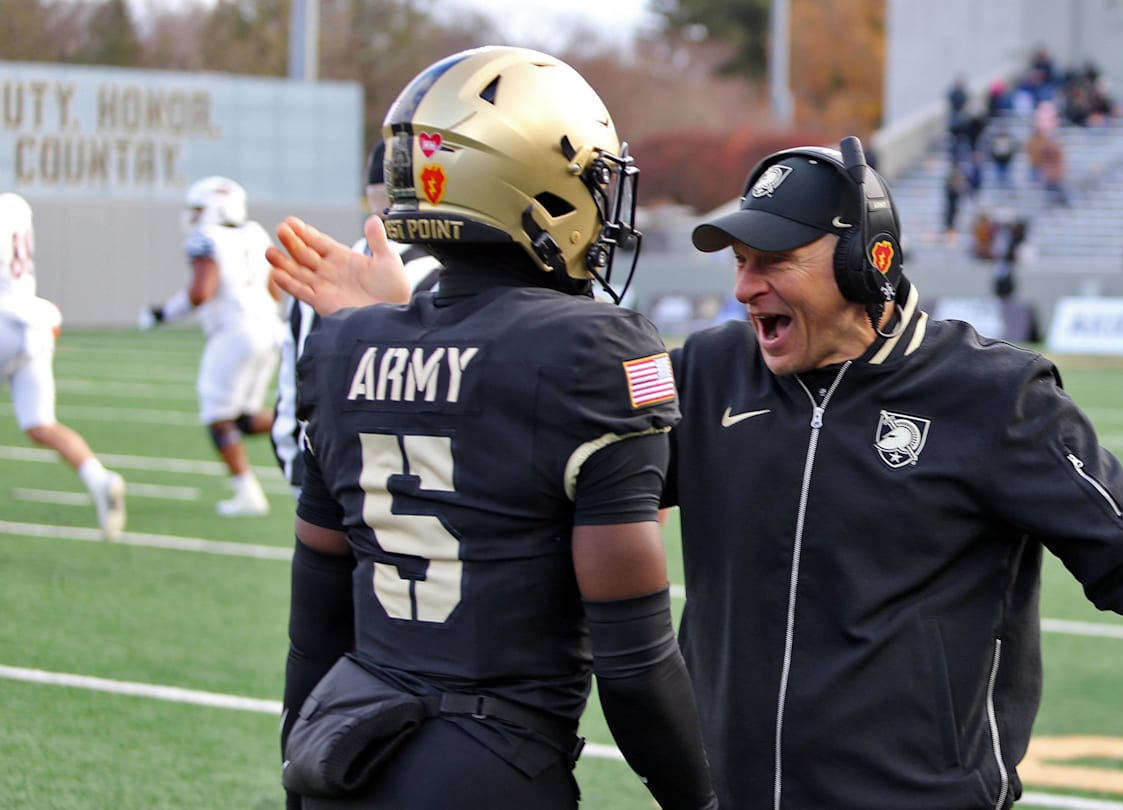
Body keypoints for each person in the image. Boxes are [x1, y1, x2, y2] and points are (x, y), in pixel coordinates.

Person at [270, 134, 1123, 810]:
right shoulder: (704, 371)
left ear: (869, 259)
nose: (744, 287)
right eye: (735, 260)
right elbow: (546, 450)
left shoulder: (992, 396)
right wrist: (404, 322)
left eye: (772, 259)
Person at [265, 47, 717, 810]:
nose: (605, 207)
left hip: (344, 756)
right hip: (494, 768)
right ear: (533, 189)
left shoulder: (342, 343)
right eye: (594, 182)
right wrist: (702, 801)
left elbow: (315, 625)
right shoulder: (592, 352)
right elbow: (635, 665)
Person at [270, 141, 440, 496]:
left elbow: (291, 401)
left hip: (321, 477)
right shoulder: (446, 275)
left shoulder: (326, 274)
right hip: (421, 489)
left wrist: (302, 473)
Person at [139, 176, 282, 516]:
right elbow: (274, 289)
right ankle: (296, 421)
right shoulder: (256, 232)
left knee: (218, 417)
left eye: (199, 209)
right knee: (244, 419)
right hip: (269, 327)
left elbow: (200, 293)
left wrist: (161, 314)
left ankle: (247, 492)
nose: (193, 216)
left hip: (235, 332)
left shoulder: (207, 238)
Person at [0, 192, 126, 539]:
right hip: (34, 321)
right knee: (41, 425)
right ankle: (100, 480)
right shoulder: (15, 204)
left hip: (5, 318)